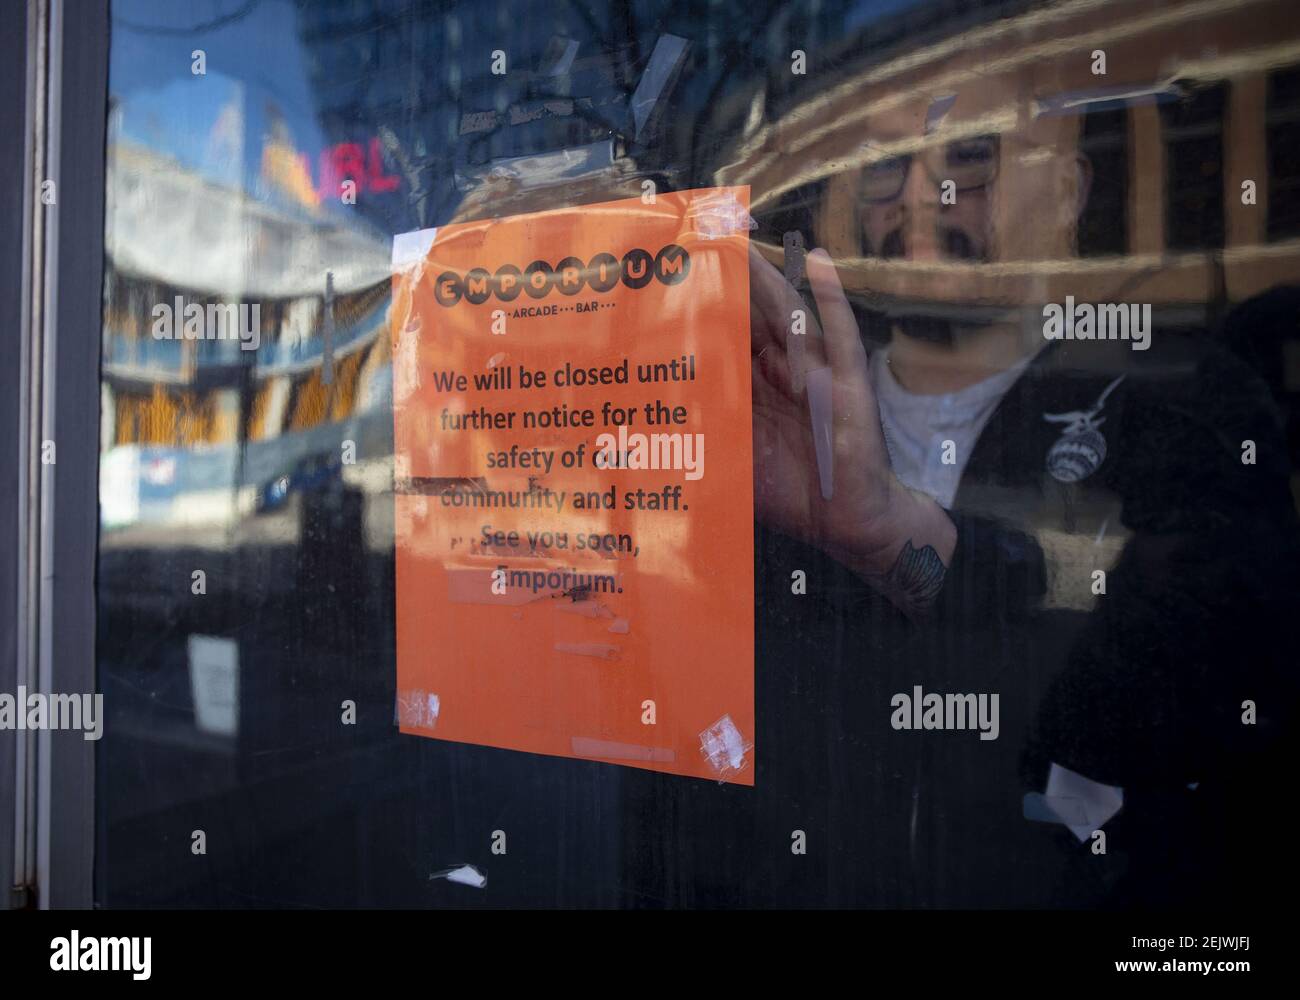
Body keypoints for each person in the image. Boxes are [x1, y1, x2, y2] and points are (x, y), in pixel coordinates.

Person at [623, 89, 1300, 908]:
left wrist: (914, 552)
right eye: (881, 170)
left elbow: (1222, 701)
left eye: (971, 156)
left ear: (1066, 192)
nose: (918, 195)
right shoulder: (757, 413)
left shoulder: (1175, 400)